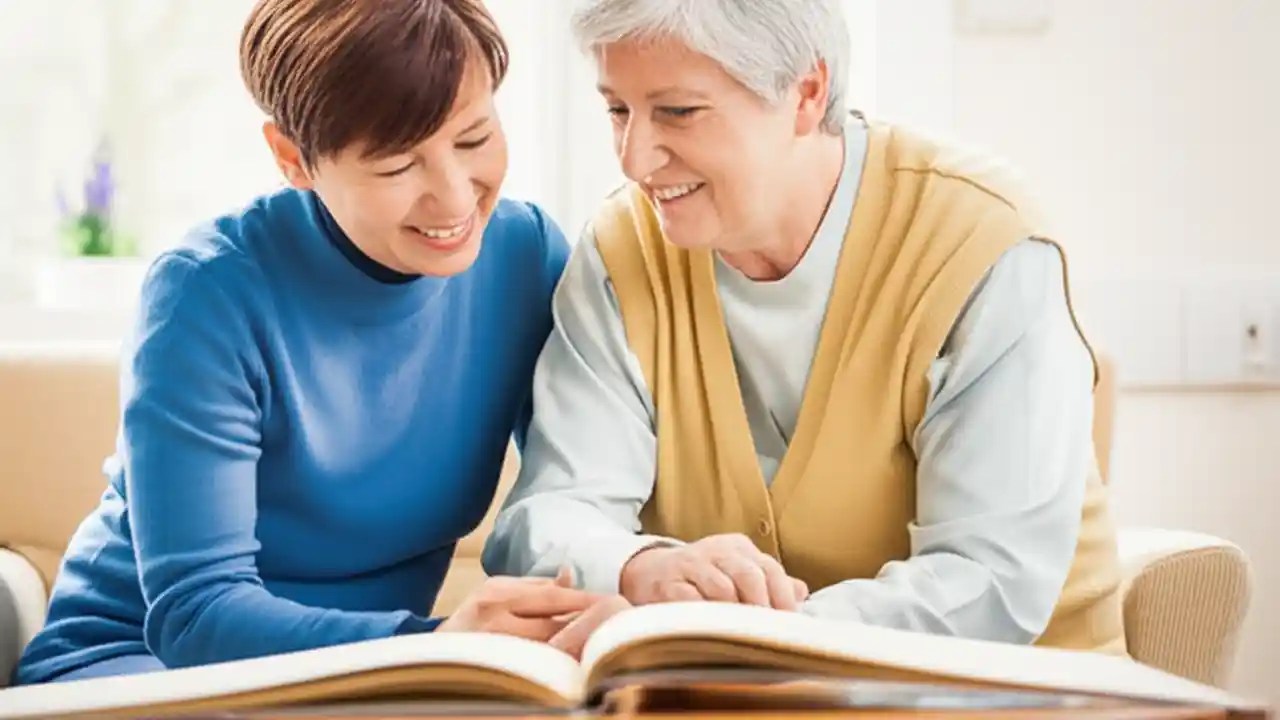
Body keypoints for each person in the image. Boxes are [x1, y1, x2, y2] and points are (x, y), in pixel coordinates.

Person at [482, 0, 1127, 655]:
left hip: (1016, 694)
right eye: (618, 110)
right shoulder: (624, 253)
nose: (633, 158)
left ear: (806, 93)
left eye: (677, 111)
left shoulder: (981, 243)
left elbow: (988, 585)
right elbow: (551, 514)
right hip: (741, 698)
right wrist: (635, 568)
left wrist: (740, 636)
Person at [14, 0, 626, 686]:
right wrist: (433, 645)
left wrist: (638, 570)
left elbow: (580, 488)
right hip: (144, 673)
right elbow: (194, 614)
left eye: (474, 138)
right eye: (398, 166)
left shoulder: (523, 257)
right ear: (292, 158)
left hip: (373, 681)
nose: (455, 198)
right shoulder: (206, 293)